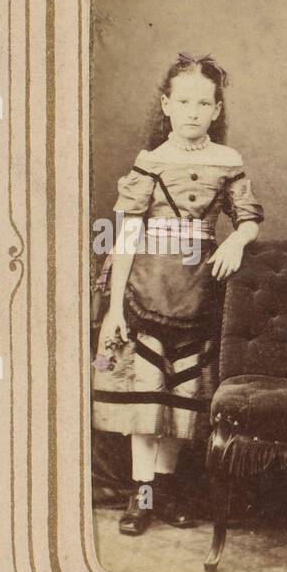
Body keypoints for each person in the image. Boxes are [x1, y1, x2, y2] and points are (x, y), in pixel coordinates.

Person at [93, 53, 264, 535]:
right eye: (183, 101)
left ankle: (164, 491)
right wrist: (114, 309)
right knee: (148, 395)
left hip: (198, 293)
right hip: (148, 288)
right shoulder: (149, 162)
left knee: (182, 395)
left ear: (216, 109)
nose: (193, 111)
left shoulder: (227, 161)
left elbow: (249, 219)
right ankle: (141, 494)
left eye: (203, 103)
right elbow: (127, 236)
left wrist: (236, 239)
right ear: (166, 105)